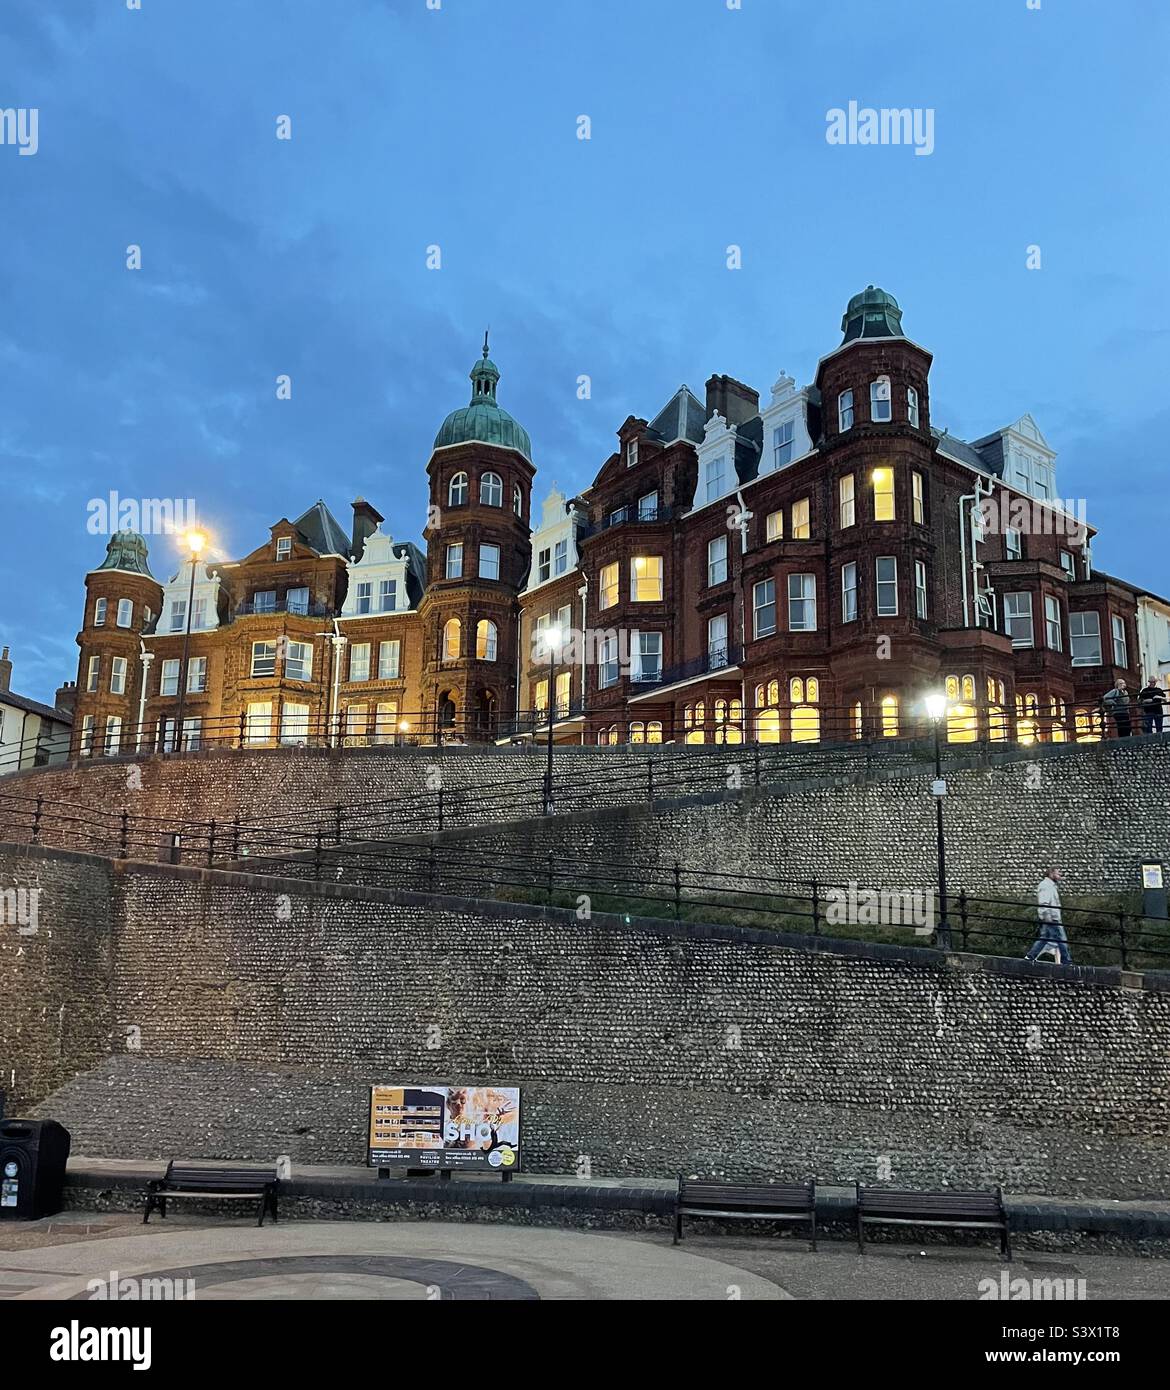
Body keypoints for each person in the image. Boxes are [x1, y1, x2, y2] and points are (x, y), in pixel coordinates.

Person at [1025, 867, 1071, 965]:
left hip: (1050, 917)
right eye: (1058, 873)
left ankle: (1030, 956)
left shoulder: (1050, 885)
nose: (1060, 876)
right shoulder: (1046, 885)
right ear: (1051, 874)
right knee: (1062, 939)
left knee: (1044, 938)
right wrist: (1047, 916)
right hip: (1051, 918)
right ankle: (1066, 961)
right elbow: (1044, 902)